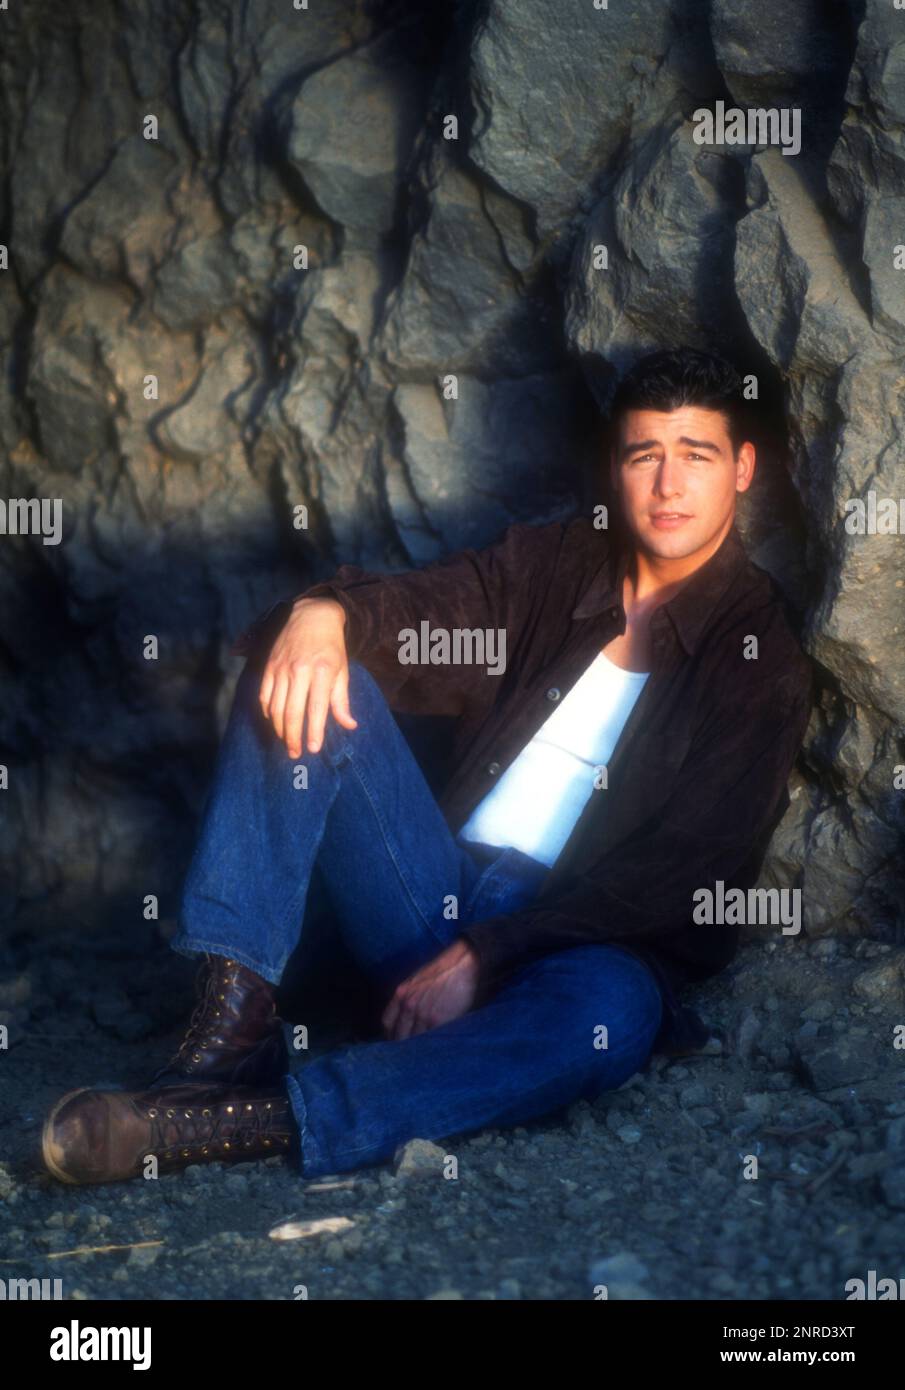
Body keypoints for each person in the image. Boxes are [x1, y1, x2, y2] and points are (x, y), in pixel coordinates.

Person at [42, 347, 813, 1186]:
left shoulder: (757, 656)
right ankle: (226, 1041)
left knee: (612, 1016)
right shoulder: (555, 568)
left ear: (740, 469)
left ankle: (245, 1125)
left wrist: (491, 950)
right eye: (644, 455)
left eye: (695, 456)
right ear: (617, 469)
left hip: (574, 944)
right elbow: (426, 608)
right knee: (307, 672)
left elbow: (681, 874)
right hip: (429, 892)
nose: (667, 486)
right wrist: (323, 612)